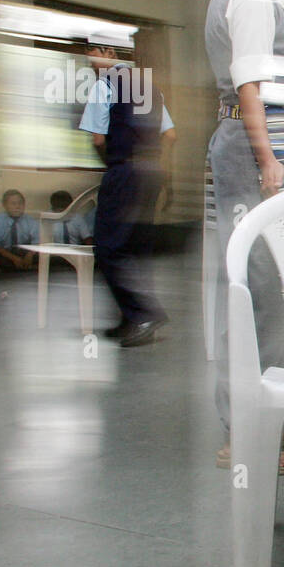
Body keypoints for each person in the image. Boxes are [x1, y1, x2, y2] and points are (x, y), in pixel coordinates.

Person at [205, 0, 284, 476]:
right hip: (256, 149)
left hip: (265, 143)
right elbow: (250, 85)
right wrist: (269, 158)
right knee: (252, 290)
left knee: (270, 291)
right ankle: (244, 432)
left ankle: (263, 411)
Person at [79, 28, 174, 346]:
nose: (91, 63)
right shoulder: (150, 87)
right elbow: (170, 136)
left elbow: (97, 139)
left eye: (93, 55)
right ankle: (130, 319)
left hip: (124, 172)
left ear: (108, 53)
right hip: (152, 173)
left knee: (108, 247)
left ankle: (143, 314)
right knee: (136, 248)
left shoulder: (104, 85)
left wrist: (114, 164)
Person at [0, 189, 39, 272]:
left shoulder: (30, 220)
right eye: (13, 204)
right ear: (5, 205)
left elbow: (38, 240)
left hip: (23, 251)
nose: (17, 207)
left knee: (43, 257)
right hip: (4, 252)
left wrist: (30, 254)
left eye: (20, 203)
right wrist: (14, 258)